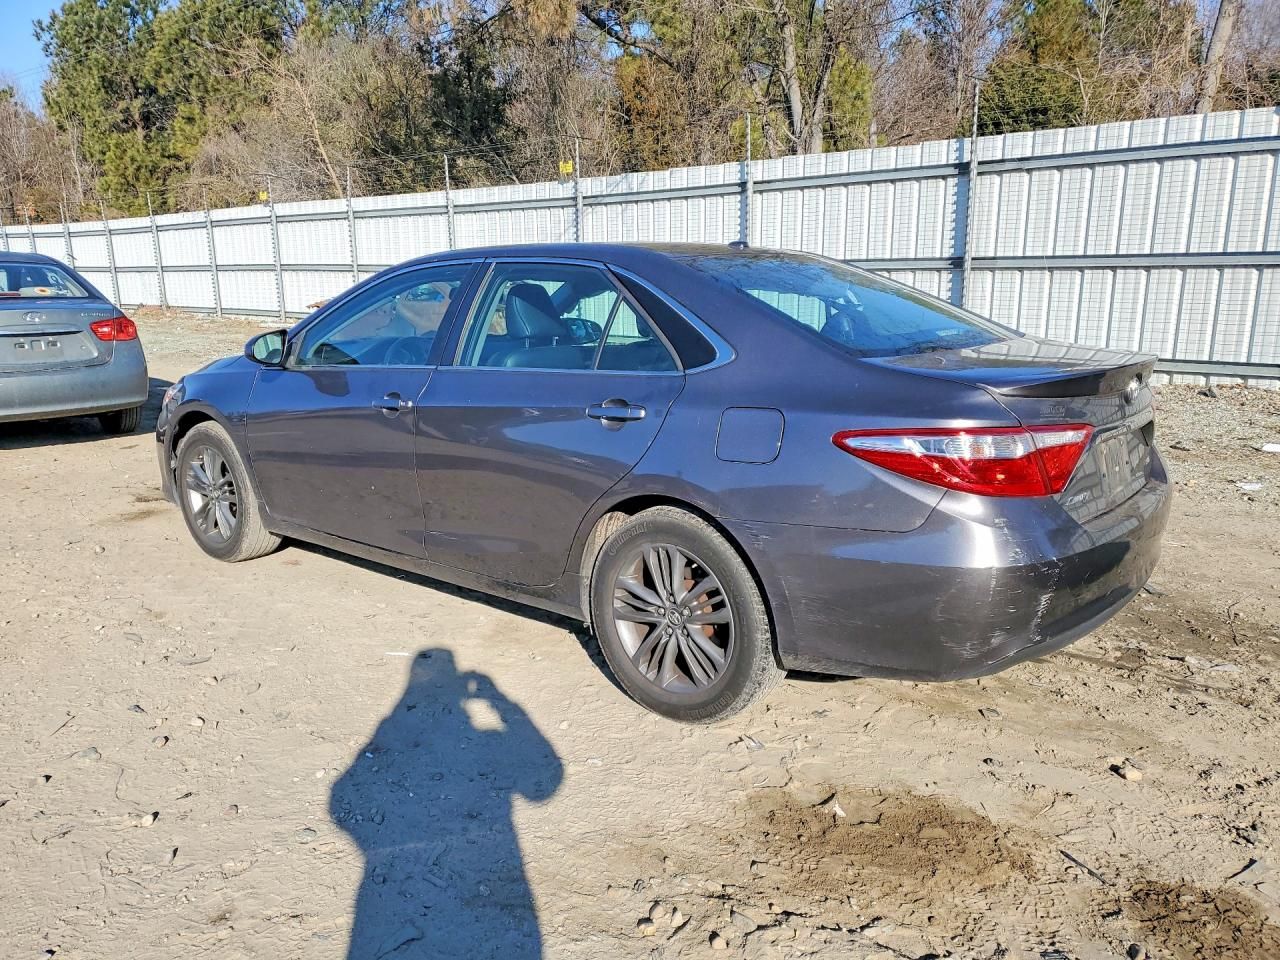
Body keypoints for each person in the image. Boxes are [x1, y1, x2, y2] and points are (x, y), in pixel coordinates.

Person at [331, 649, 563, 959]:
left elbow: (341, 799)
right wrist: (499, 701)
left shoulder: (391, 727)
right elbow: (544, 785)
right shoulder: (486, 740)